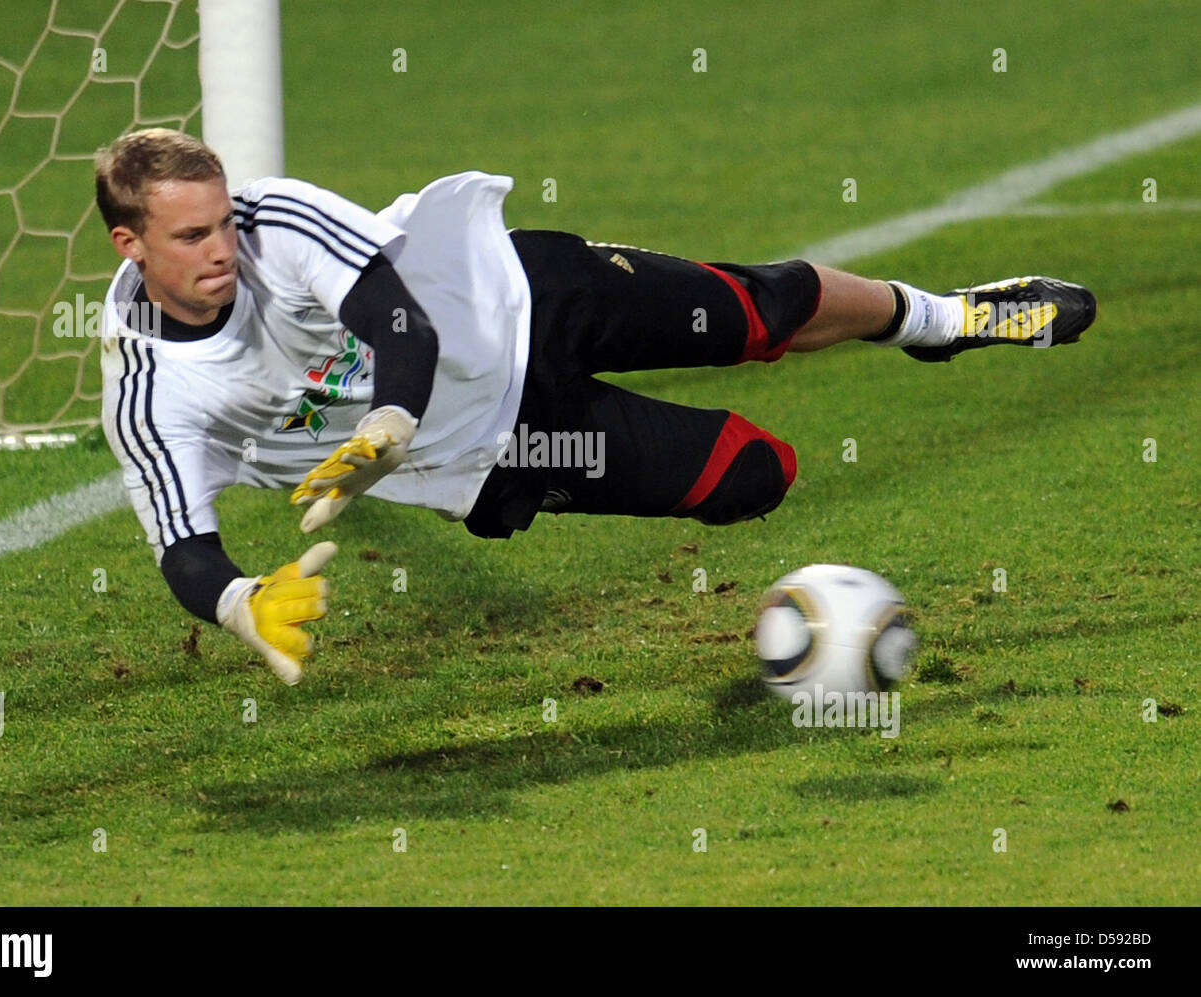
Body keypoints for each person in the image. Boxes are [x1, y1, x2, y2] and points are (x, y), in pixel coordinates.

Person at [95, 128, 1097, 684]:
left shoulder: (274, 216)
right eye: (189, 236)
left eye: (221, 221)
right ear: (128, 245)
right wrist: (242, 602)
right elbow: (184, 544)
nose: (222, 247)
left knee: (763, 309)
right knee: (756, 474)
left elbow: (399, 323)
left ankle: (939, 318)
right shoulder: (152, 393)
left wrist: (384, 425)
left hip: (524, 301)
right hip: (506, 449)